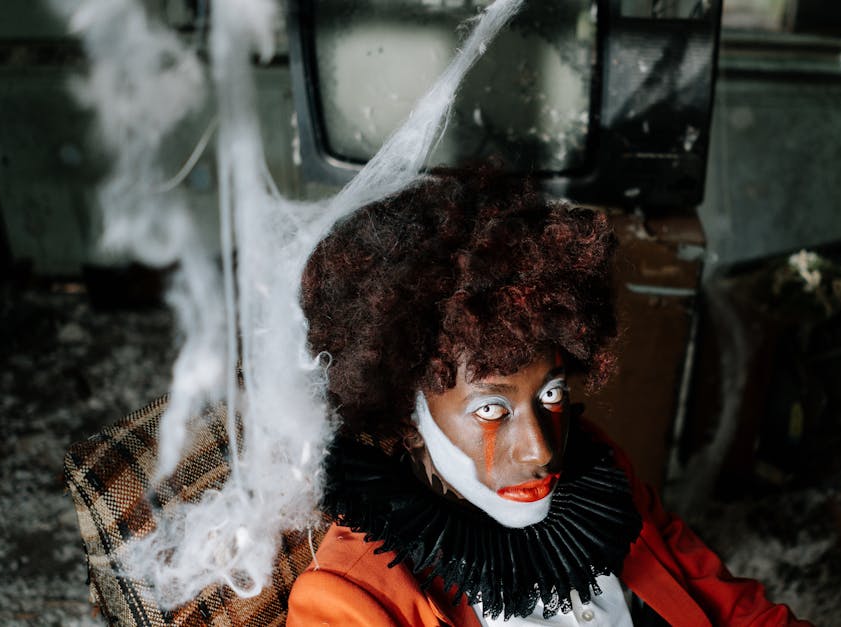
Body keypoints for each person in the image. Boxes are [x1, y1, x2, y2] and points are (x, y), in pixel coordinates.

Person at [288, 170, 811, 626]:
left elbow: (732, 607)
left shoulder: (598, 476)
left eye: (552, 392)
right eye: (491, 409)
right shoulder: (351, 600)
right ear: (406, 415)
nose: (540, 450)